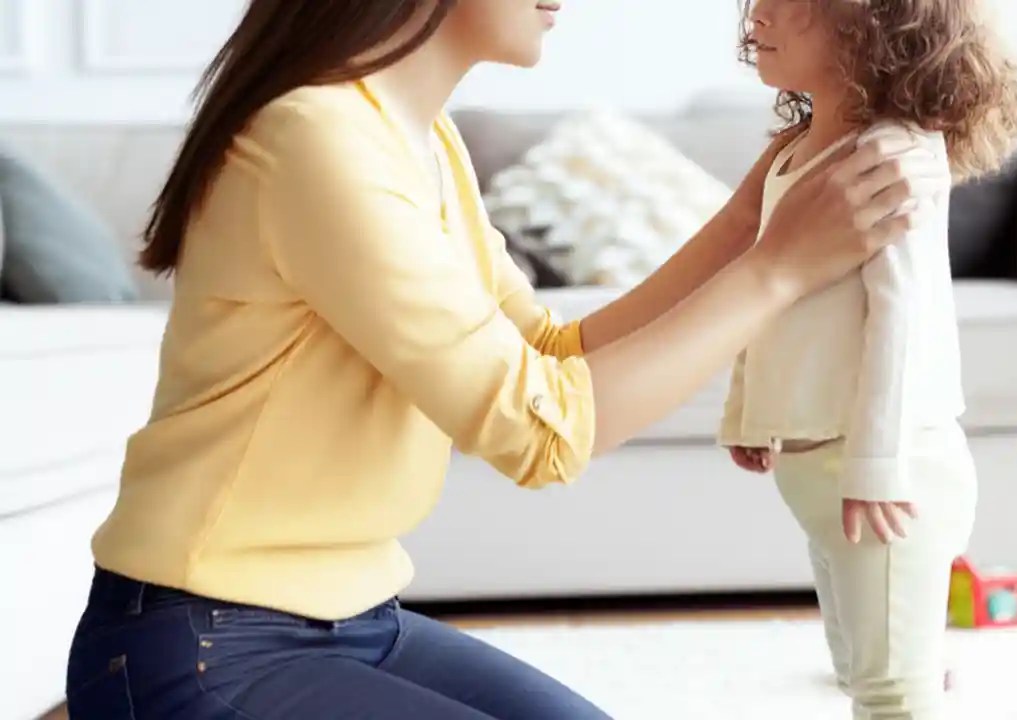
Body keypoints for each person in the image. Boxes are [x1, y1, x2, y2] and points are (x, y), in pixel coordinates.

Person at [64, 1, 953, 718]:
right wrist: (777, 268)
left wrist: (740, 229)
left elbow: (549, 350)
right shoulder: (311, 139)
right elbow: (540, 431)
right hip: (201, 642)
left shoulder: (421, 137)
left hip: (357, 619)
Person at [718, 0, 1017, 717]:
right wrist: (746, 410)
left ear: (873, 24)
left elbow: (903, 318)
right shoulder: (796, 154)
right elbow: (763, 291)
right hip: (819, 473)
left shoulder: (892, 158)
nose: (756, 13)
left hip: (887, 480)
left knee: (892, 690)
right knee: (857, 663)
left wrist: (875, 466)